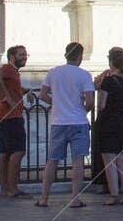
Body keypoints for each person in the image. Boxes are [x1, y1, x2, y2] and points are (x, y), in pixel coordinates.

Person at [37, 42, 95, 208]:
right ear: (79, 56)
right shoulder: (84, 75)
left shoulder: (53, 72)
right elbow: (90, 100)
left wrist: (56, 103)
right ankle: (74, 198)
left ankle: (43, 198)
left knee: (52, 161)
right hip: (78, 122)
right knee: (78, 161)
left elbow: (42, 95)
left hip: (58, 121)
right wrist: (83, 110)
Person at [94, 47, 123, 206]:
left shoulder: (107, 81)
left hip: (109, 122)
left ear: (111, 62)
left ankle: (114, 194)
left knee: (109, 159)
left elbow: (101, 105)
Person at [0, 45, 30, 199]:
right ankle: (13, 188)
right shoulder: (8, 68)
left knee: (5, 152)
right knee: (18, 151)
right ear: (12, 56)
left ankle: (4, 189)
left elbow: (11, 87)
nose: (25, 57)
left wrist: (22, 91)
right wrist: (7, 96)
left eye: (26, 54)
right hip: (11, 116)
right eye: (21, 54)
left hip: (3, 115)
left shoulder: (13, 72)